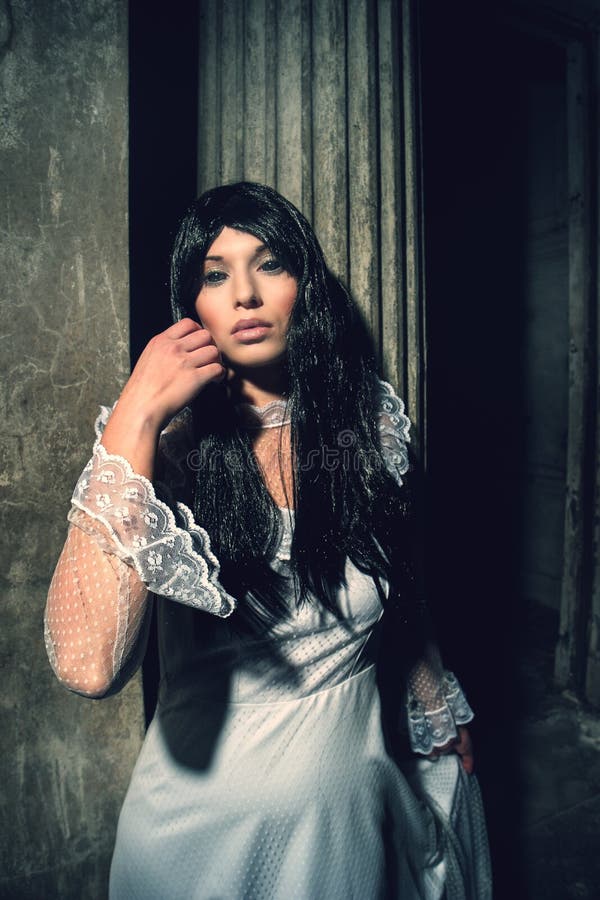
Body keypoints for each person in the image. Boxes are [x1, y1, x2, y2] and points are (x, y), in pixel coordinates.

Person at [44, 182, 492, 899]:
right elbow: (87, 666)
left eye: (270, 265)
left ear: (304, 286)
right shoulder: (158, 451)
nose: (245, 294)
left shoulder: (365, 427)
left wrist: (434, 709)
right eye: (216, 275)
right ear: (191, 304)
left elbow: (398, 590)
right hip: (200, 839)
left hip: (348, 821)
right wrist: (136, 412)